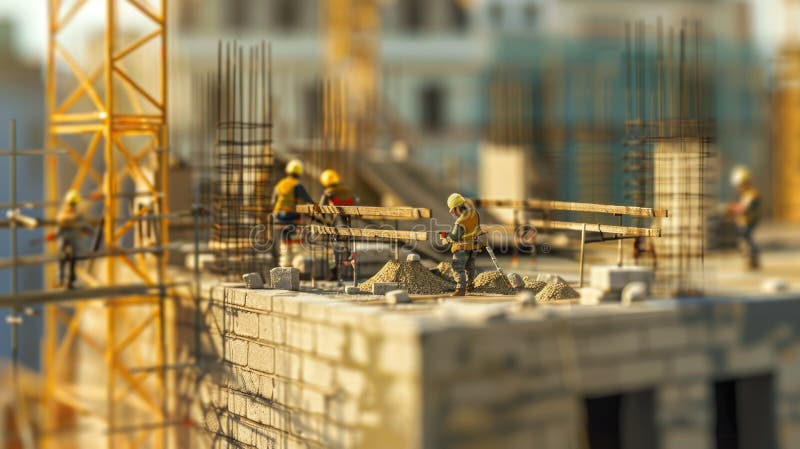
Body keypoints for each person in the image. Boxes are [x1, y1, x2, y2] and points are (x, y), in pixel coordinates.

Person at [318, 169, 359, 282]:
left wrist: (324, 218)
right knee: (348, 247)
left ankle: (333, 274)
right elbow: (356, 201)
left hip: (338, 224)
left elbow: (321, 207)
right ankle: (350, 272)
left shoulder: (329, 191)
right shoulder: (347, 190)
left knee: (333, 248)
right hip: (350, 224)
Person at [272, 159, 314, 267]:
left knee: (285, 238)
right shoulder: (297, 185)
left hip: (278, 216)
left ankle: (285, 263)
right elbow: (307, 199)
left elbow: (273, 201)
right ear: (299, 173)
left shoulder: (280, 184)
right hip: (290, 215)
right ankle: (294, 262)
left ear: (288, 172)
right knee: (295, 237)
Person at [443, 193, 481, 296]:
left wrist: (446, 238)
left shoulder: (460, 221)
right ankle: (471, 286)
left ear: (456, 208)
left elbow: (455, 236)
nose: (453, 213)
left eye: (452, 210)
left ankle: (460, 289)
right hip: (473, 247)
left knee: (458, 267)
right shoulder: (474, 213)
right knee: (470, 267)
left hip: (462, 248)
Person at [55, 190, 92, 289]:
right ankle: (61, 279)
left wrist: (84, 229)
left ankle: (70, 281)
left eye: (74, 204)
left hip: (73, 239)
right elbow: (62, 222)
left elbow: (81, 224)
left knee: (72, 259)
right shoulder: (64, 214)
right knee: (63, 258)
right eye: (72, 204)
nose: (73, 206)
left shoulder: (77, 215)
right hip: (65, 238)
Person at [727, 165, 761, 270]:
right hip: (743, 221)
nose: (738, 187)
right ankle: (751, 260)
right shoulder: (744, 194)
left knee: (746, 240)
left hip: (749, 221)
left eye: (740, 185)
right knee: (744, 240)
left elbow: (745, 208)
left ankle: (752, 260)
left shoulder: (752, 194)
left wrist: (732, 209)